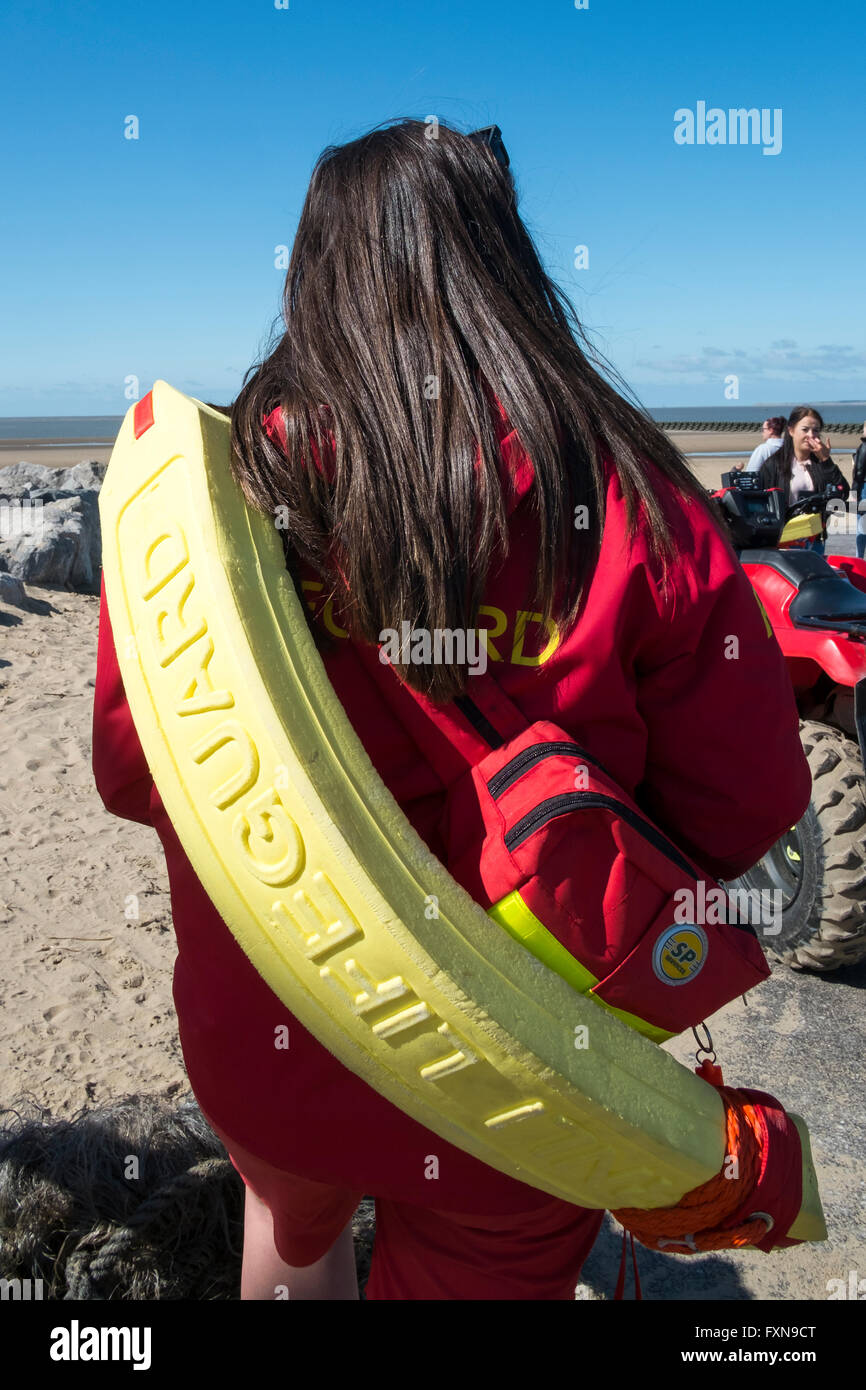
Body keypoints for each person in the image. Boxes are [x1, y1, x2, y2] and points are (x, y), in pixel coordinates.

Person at [91, 118, 812, 1301]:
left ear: (313, 273)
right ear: (504, 260)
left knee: (292, 1233)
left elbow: (138, 771)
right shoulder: (639, 504)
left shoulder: (220, 498)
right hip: (518, 1071)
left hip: (275, 1022)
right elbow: (743, 814)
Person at [755, 405, 848, 554]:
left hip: (815, 540)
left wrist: (826, 460)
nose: (811, 435)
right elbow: (761, 502)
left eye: (816, 430)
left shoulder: (820, 464)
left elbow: (842, 493)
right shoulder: (774, 465)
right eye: (805, 430)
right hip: (784, 541)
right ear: (791, 431)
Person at [852, 422, 866, 560]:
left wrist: (854, 491)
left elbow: (859, 471)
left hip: (864, 488)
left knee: (862, 526)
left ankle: (859, 557)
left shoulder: (864, 447)